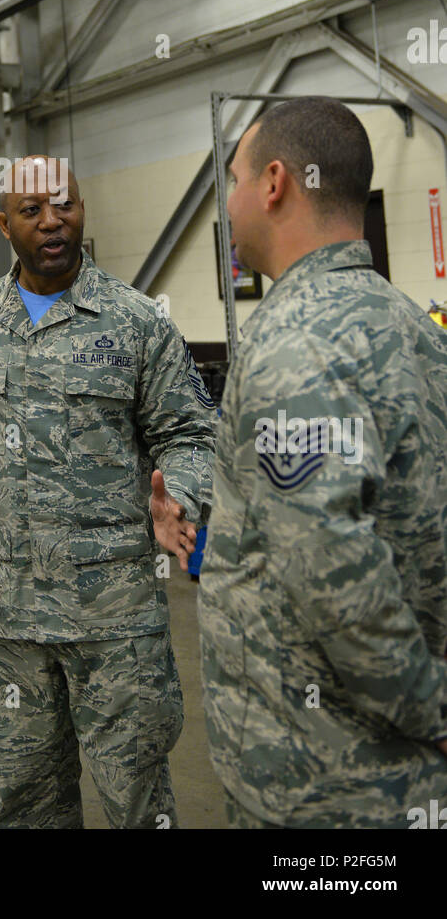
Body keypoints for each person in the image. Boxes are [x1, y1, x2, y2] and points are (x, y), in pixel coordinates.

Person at [0, 154, 215, 828]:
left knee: (137, 800)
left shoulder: (137, 322)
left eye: (63, 204)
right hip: (8, 622)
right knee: (29, 804)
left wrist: (177, 491)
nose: (51, 221)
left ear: (81, 208)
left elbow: (190, 433)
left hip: (115, 618)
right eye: (31, 211)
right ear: (3, 224)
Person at [199, 96, 447, 828]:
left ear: (274, 183)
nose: (230, 200)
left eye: (235, 179)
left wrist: (425, 707)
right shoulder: (407, 323)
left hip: (322, 781)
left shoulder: (294, 343)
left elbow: (331, 567)